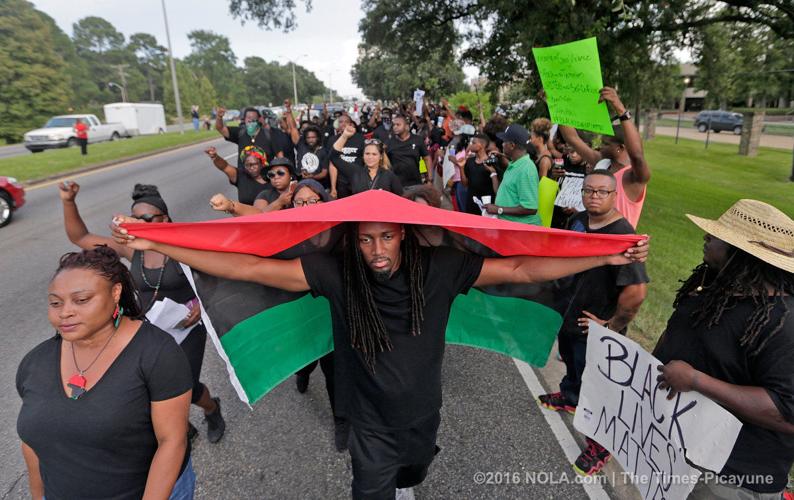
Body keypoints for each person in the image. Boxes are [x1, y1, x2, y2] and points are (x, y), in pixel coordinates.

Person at [112, 210, 649, 499]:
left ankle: (410, 469)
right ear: (353, 240)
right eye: (365, 240)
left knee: (413, 474)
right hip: (366, 419)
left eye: (386, 238)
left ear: (404, 236)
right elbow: (250, 268)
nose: (375, 251)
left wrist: (606, 254)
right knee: (371, 489)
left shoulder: (438, 267)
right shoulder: (336, 272)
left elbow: (520, 270)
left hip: (422, 415)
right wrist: (161, 245)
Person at [16, 246, 194, 499]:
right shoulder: (35, 363)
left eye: (81, 300)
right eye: (55, 303)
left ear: (115, 293)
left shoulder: (157, 354)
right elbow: (32, 444)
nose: (64, 312)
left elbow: (171, 442)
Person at [58, 181, 227, 443]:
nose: (141, 223)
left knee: (187, 386)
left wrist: (200, 304)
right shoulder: (131, 247)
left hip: (188, 327)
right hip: (151, 326)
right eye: (135, 218)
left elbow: (219, 275)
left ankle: (212, 408)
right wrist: (68, 201)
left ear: (166, 218)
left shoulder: (182, 245)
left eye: (148, 218)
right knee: (150, 385)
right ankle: (179, 428)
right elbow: (80, 237)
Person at [653, 199, 794, 500]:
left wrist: (695, 381)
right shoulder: (715, 289)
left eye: (716, 235)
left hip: (731, 478)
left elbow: (787, 413)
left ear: (743, 253)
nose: (706, 237)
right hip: (679, 451)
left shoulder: (783, 324)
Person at [537, 171, 649, 476]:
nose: (594, 196)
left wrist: (610, 326)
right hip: (570, 314)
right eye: (589, 190)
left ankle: (601, 444)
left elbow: (636, 293)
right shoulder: (579, 220)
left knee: (597, 386)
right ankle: (569, 396)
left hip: (596, 328)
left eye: (602, 192)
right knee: (573, 366)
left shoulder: (624, 235)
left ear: (615, 197)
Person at [558, 87, 650, 229]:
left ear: (620, 147)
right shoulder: (602, 163)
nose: (600, 147)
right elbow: (572, 139)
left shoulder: (634, 177)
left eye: (606, 144)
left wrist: (620, 109)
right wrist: (557, 105)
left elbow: (637, 155)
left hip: (616, 243)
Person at [483, 124, 541, 225]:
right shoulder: (515, 163)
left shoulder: (526, 169)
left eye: (505, 142)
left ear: (512, 145)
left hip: (522, 232)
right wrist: (501, 158)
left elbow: (530, 208)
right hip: (511, 228)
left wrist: (499, 209)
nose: (502, 144)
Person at [210, 157, 298, 216]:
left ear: (290, 175)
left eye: (281, 173)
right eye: (271, 175)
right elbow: (257, 216)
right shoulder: (264, 195)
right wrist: (279, 202)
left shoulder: (301, 190)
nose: (276, 177)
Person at [331, 126, 403, 196]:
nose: (370, 157)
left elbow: (399, 199)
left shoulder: (389, 175)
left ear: (381, 156)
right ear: (363, 155)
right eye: (367, 154)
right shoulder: (355, 172)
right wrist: (344, 136)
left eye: (374, 154)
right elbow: (334, 157)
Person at [215, 106, 283, 168]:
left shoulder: (269, 135)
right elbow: (220, 128)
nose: (250, 120)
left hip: (264, 178)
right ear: (244, 120)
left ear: (259, 119)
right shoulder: (240, 132)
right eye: (248, 118)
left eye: (253, 118)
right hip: (244, 178)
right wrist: (219, 117)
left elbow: (280, 157)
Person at [205, 145, 269, 205]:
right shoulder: (240, 176)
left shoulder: (272, 176)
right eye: (247, 165)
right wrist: (215, 157)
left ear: (262, 163)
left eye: (254, 164)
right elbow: (224, 167)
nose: (251, 168)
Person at [385, 114, 434, 189]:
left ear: (406, 126)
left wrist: (430, 180)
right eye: (394, 125)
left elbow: (427, 158)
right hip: (397, 186)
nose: (395, 127)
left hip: (416, 184)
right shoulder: (389, 143)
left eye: (398, 125)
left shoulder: (418, 140)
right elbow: (385, 163)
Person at [328, 116, 368, 199]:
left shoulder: (361, 139)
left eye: (346, 122)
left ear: (350, 124)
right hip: (341, 181)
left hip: (358, 180)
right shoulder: (332, 140)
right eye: (341, 122)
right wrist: (333, 187)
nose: (343, 124)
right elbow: (332, 164)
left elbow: (367, 161)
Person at [461, 133, 500, 216]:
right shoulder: (469, 161)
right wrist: (461, 167)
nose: (471, 145)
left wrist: (493, 172)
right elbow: (465, 184)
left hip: (486, 205)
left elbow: (496, 188)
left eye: (474, 143)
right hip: (471, 204)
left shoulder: (491, 163)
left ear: (481, 145)